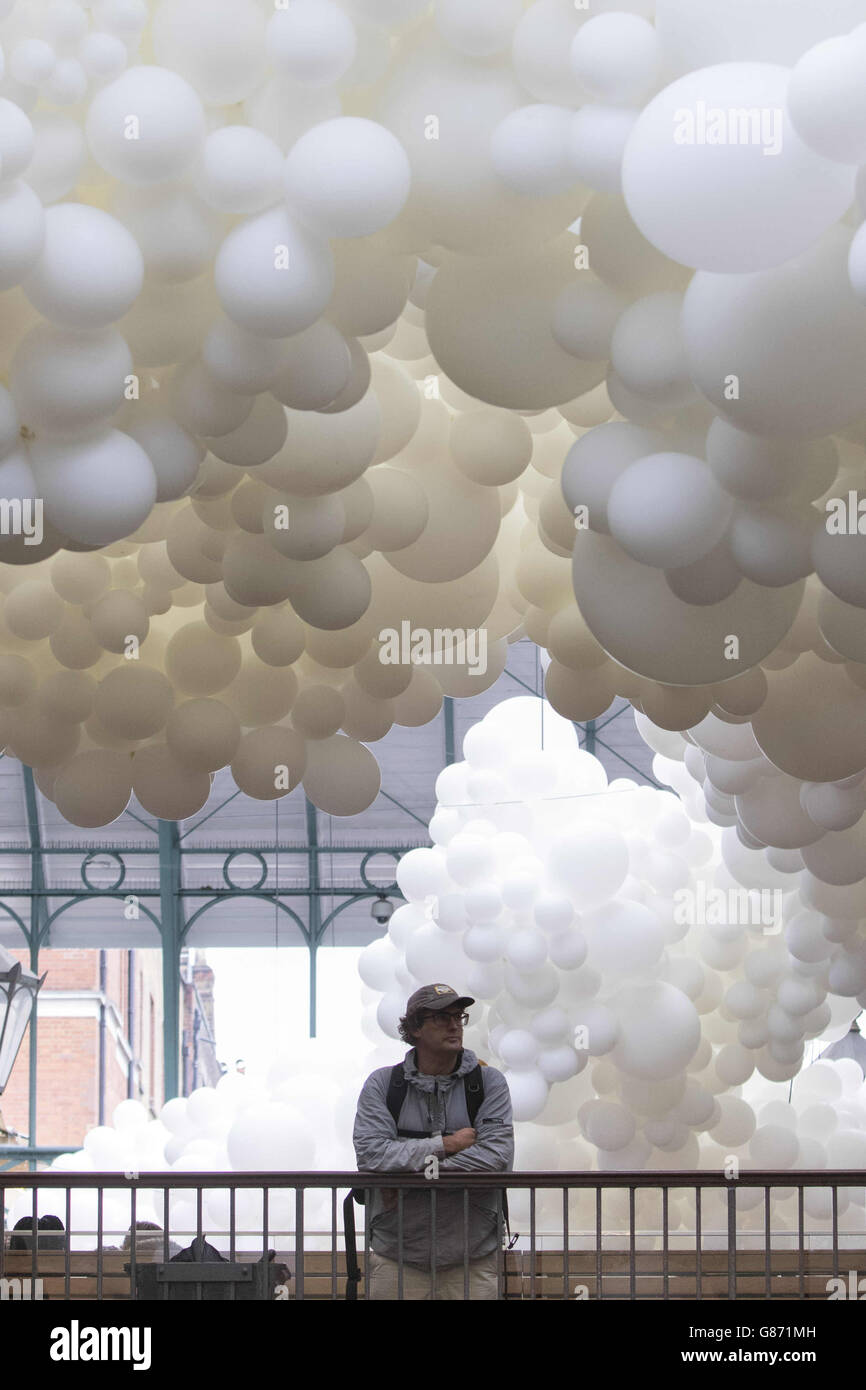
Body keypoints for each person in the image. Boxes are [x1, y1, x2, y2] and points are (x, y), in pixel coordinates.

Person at [353, 982, 513, 1300]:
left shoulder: (488, 1083)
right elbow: (371, 1155)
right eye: (441, 1017)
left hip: (473, 1256)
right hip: (397, 1255)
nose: (454, 1024)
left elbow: (496, 1157)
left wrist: (404, 1169)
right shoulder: (383, 1084)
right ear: (414, 1028)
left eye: (459, 1016)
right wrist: (446, 1145)